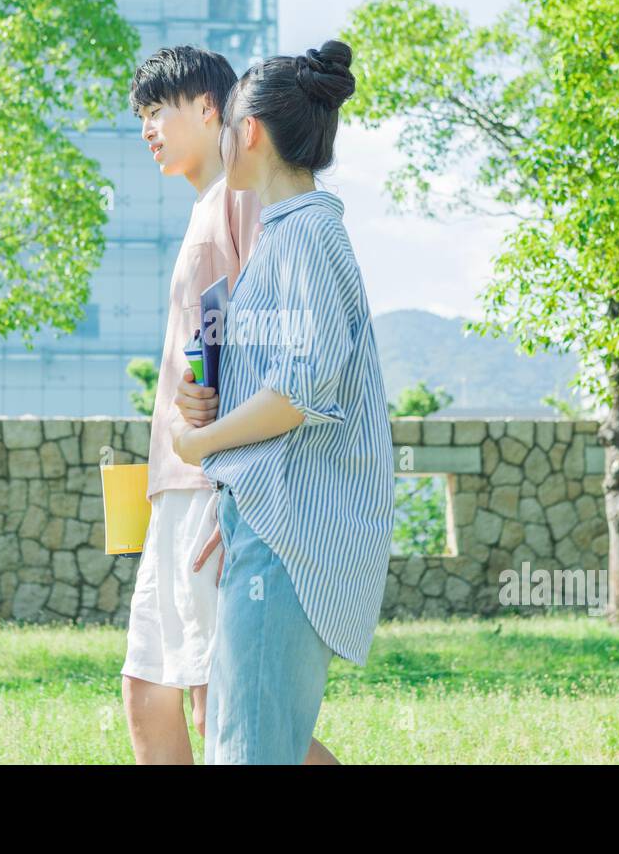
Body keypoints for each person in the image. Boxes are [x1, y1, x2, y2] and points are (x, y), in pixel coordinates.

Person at [170, 40, 394, 765]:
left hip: (289, 535)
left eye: (227, 123)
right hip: (268, 523)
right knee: (254, 740)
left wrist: (201, 445)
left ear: (252, 132)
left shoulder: (304, 236)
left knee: (248, 749)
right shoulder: (286, 236)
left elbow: (300, 389)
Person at [121, 45, 335, 765]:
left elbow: (276, 356)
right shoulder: (207, 209)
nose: (148, 128)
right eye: (142, 116)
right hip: (180, 483)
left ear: (209, 108)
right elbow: (218, 349)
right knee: (151, 691)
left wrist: (227, 489)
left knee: (230, 714)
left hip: (214, 484)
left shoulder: (243, 201)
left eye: (158, 110)